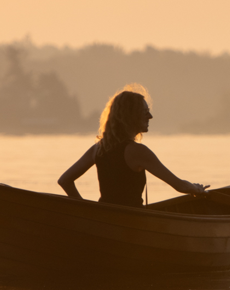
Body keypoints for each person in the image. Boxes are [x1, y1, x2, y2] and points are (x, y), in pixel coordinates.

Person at [58, 84, 208, 207]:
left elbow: (65, 180)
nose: (150, 117)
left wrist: (87, 212)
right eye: (145, 112)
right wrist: (197, 189)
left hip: (105, 219)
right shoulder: (137, 151)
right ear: (130, 117)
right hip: (132, 222)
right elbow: (180, 186)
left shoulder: (99, 148)